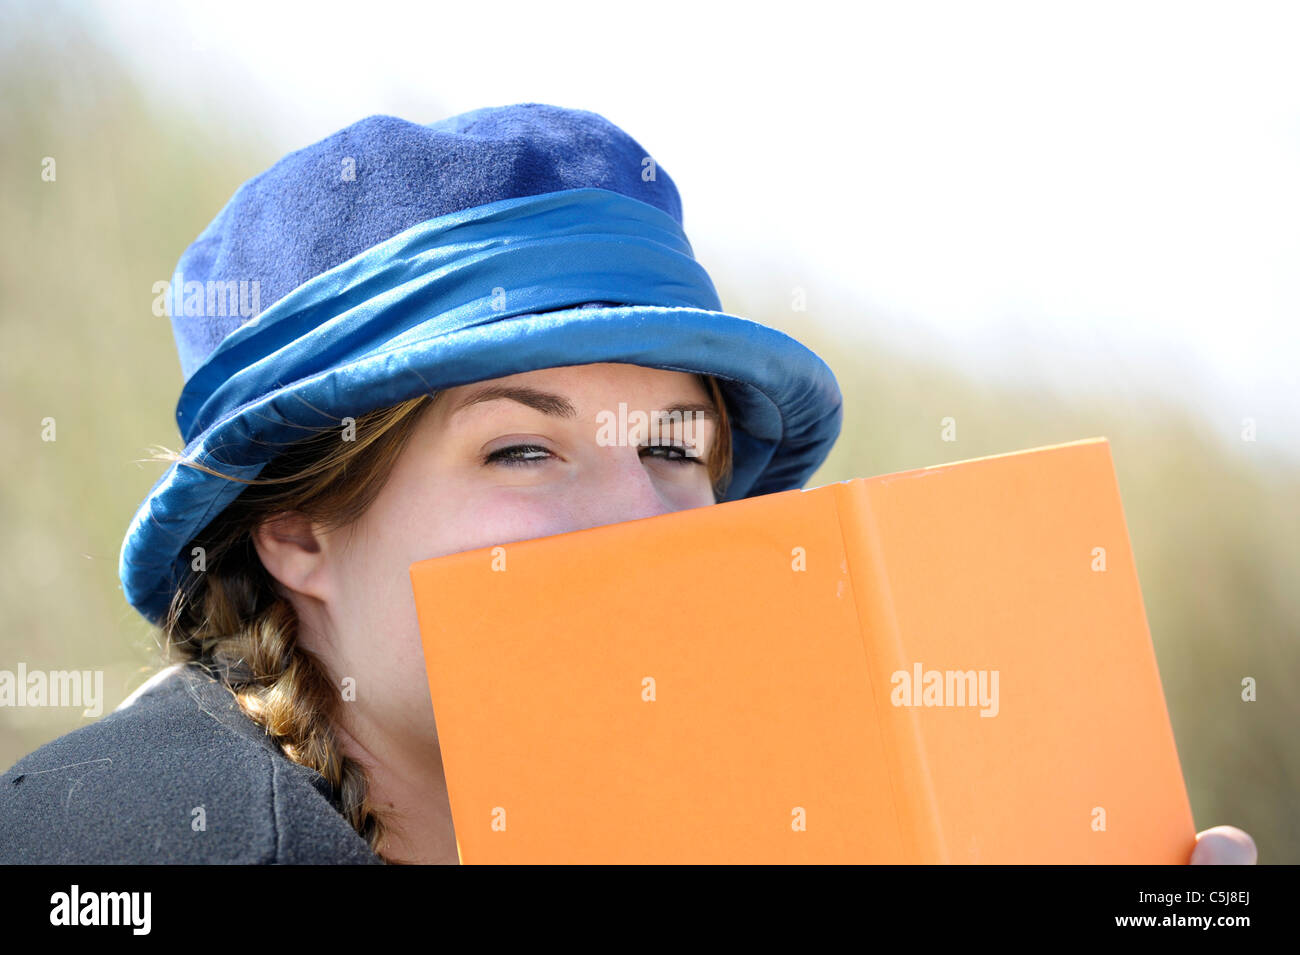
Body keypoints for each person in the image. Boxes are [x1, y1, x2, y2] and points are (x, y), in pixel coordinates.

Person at [0, 103, 1257, 865]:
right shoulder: (107, 845)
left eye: (671, 448)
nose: (631, 521)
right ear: (299, 535)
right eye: (523, 449)